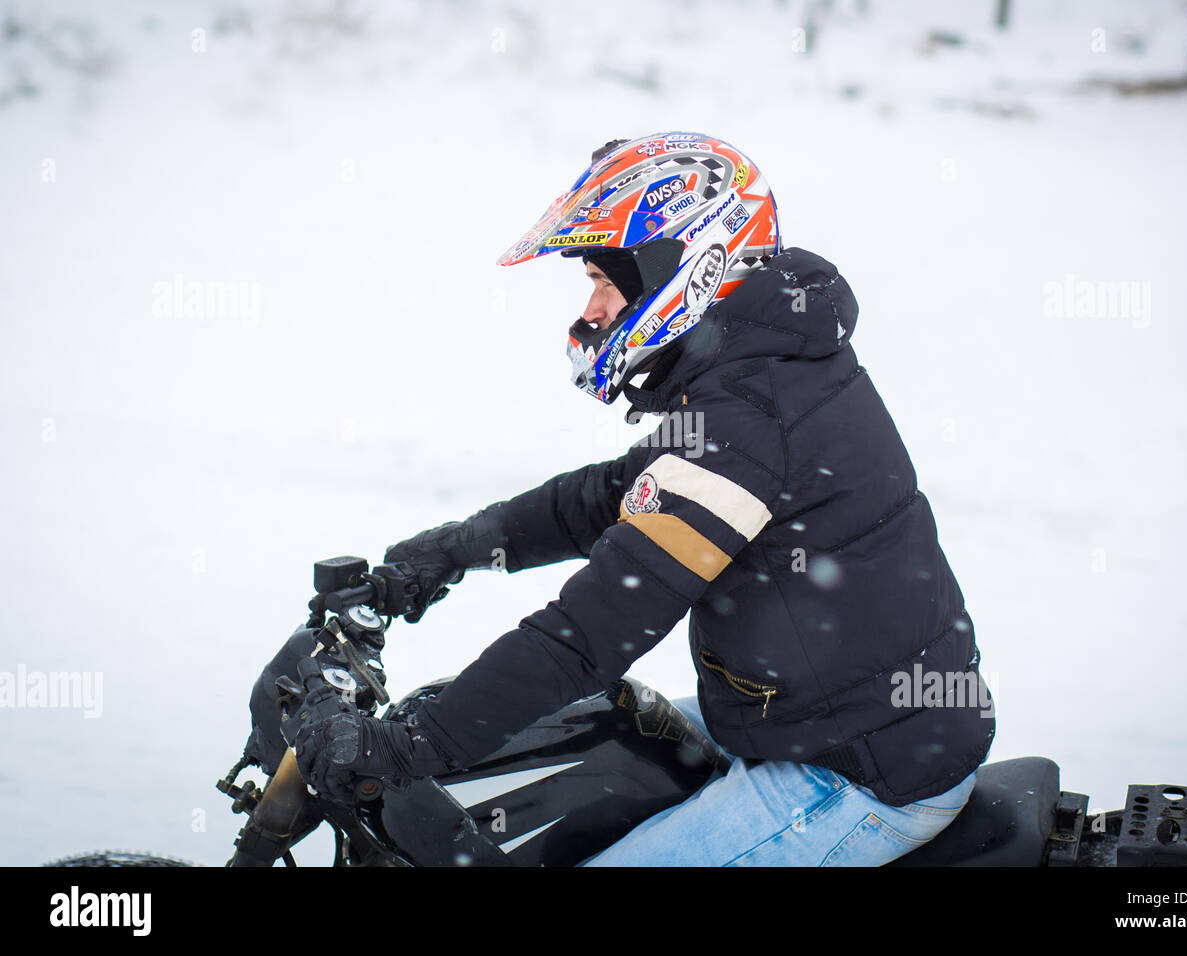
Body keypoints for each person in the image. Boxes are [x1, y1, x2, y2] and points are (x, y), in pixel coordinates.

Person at [293, 131, 995, 866]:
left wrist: (408, 746)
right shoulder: (762, 362)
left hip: (861, 768)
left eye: (604, 281)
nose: (592, 311)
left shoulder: (748, 421)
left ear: (683, 268)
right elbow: (614, 496)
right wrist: (455, 549)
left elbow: (592, 632)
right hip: (808, 716)